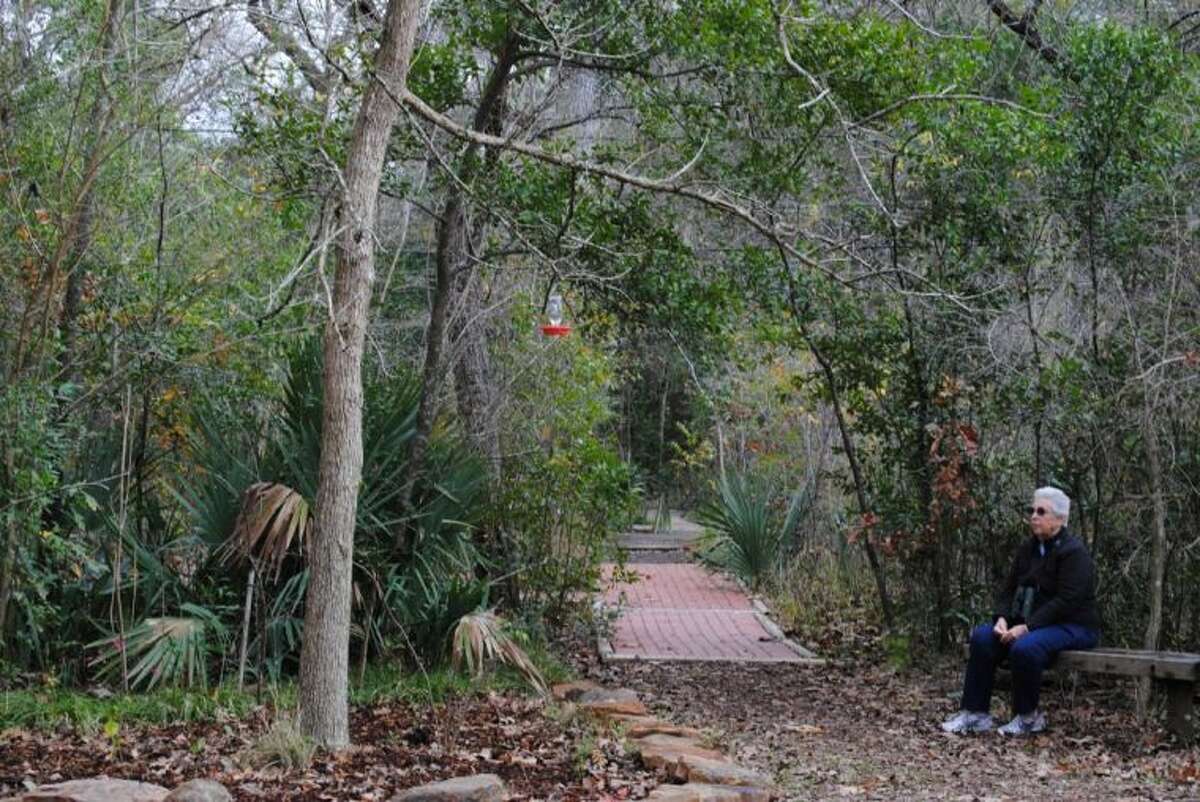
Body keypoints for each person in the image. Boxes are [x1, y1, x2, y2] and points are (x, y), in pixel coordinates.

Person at [941, 487, 1100, 736]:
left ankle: (1028, 717)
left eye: (1041, 511)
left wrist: (1027, 627)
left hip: (1072, 625)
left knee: (1025, 647)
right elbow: (1008, 589)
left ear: (1059, 519)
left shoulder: (1074, 553)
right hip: (1032, 624)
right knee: (983, 638)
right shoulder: (1028, 549)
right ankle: (975, 713)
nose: (1033, 516)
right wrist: (1002, 619)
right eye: (1031, 511)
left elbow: (1067, 601)